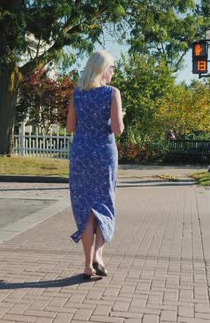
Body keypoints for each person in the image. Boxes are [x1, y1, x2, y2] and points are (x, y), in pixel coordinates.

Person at [66, 50, 124, 279]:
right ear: (104, 69)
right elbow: (118, 130)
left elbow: (70, 127)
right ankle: (99, 253)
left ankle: (88, 266)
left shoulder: (77, 94)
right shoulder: (112, 93)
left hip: (81, 153)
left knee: (86, 209)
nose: (113, 73)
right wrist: (117, 118)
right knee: (104, 204)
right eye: (112, 68)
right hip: (103, 154)